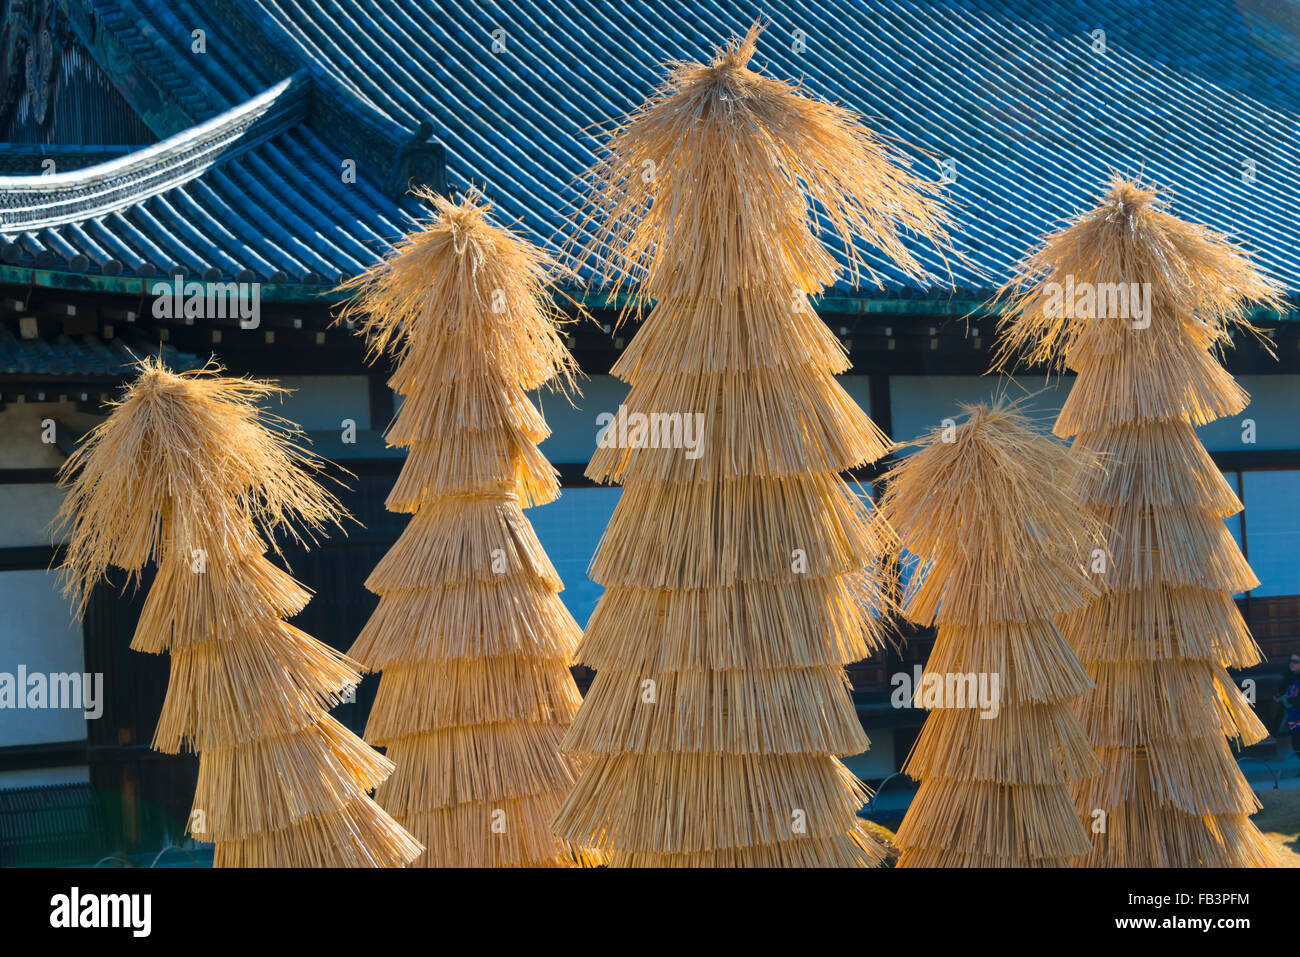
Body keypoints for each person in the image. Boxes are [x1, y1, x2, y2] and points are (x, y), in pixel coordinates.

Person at [1277, 653, 1300, 757]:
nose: (1292, 663)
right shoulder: (1287, 677)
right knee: (1296, 745)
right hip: (1292, 716)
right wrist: (1279, 697)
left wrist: (1288, 699)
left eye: (1295, 661)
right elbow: (1280, 692)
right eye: (1291, 661)